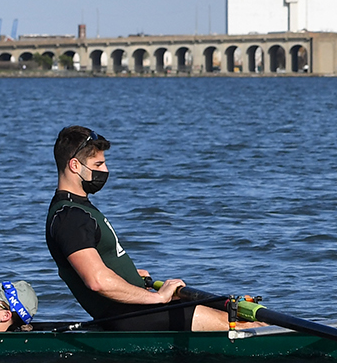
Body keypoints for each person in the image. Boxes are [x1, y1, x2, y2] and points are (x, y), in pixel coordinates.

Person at [44, 126, 229, 331]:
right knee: (240, 325)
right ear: (75, 165)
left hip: (133, 309)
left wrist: (128, 277)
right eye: (98, 164)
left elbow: (99, 265)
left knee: (232, 315)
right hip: (129, 316)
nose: (105, 170)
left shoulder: (76, 208)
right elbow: (97, 281)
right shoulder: (70, 217)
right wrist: (159, 297)